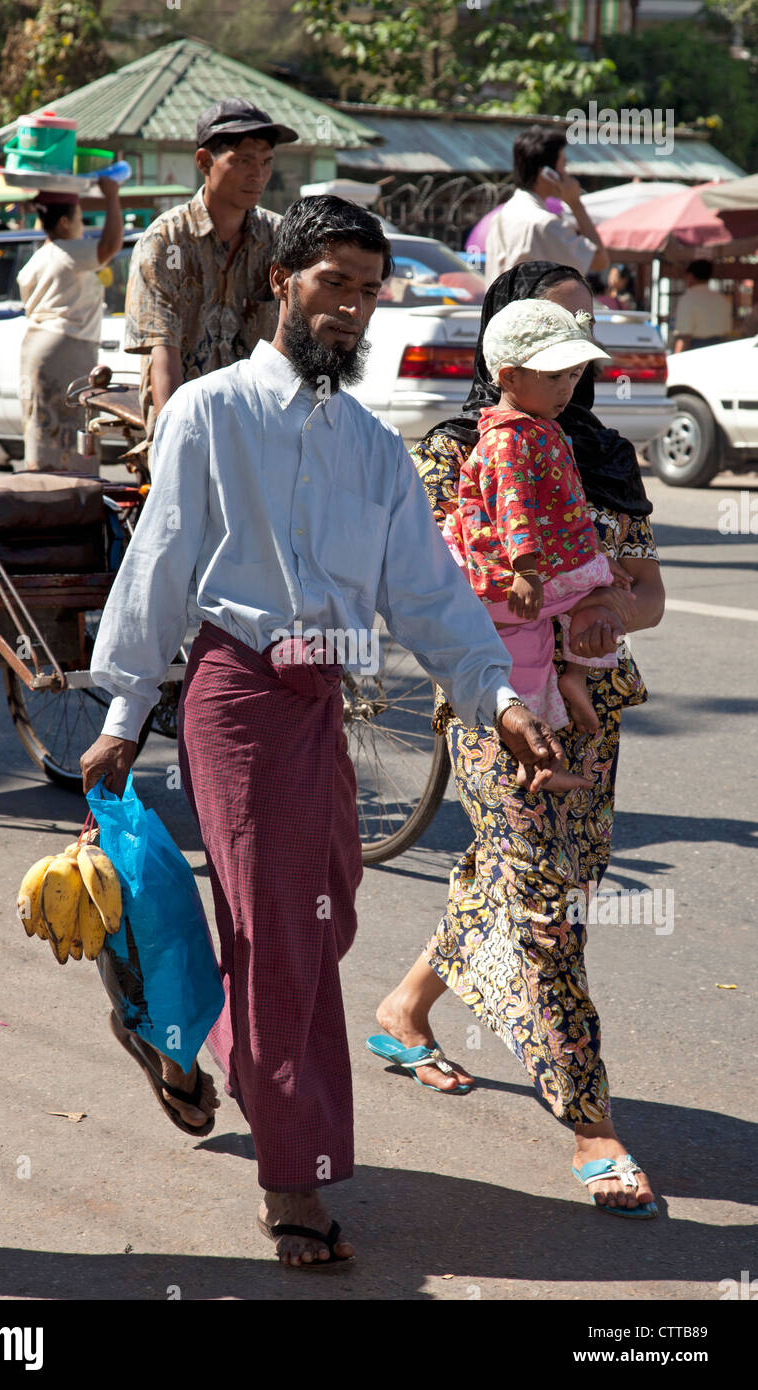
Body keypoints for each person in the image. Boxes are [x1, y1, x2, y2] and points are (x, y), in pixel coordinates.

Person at [81, 197, 566, 1268]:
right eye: (330, 282)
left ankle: (175, 1023)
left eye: (365, 289)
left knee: (321, 915)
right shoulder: (207, 413)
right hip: (235, 702)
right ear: (280, 284)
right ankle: (292, 1178)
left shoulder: (372, 449)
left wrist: (496, 694)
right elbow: (161, 562)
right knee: (284, 940)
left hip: (323, 709)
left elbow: (430, 592)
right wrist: (122, 709)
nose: (348, 307)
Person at [368, 260, 666, 1218]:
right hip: (498, 705)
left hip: (593, 704)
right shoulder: (457, 451)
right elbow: (420, 588)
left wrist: (608, 611)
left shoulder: (606, 456)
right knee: (544, 908)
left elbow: (646, 590)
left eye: (586, 337)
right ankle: (590, 1124)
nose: (581, 360)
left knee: (535, 877)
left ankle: (403, 1010)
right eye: (559, 336)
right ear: (507, 350)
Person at [444, 297, 632, 746]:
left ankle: (571, 684)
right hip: (518, 580)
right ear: (509, 376)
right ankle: (537, 735)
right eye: (554, 377)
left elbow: (562, 510)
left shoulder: (537, 426)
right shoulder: (507, 439)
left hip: (539, 575)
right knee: (530, 656)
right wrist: (527, 571)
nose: (567, 389)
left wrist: (599, 562)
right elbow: (515, 511)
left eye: (573, 376)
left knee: (568, 627)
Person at [124, 98, 298, 439]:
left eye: (266, 162)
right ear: (205, 161)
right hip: (185, 423)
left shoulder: (280, 240)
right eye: (243, 161)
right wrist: (179, 443)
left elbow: (295, 344)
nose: (258, 174)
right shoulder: (165, 241)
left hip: (259, 430)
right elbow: (164, 353)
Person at [16, 178, 124, 473]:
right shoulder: (69, 251)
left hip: (35, 348)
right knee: (76, 433)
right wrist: (112, 197)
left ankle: (43, 505)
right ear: (64, 222)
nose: (83, 226)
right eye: (79, 218)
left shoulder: (39, 257)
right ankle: (73, 507)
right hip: (66, 345)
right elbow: (110, 246)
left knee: (41, 434)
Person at [485, 126, 608, 287]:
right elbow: (600, 260)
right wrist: (575, 204)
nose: (566, 173)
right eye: (563, 164)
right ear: (548, 174)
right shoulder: (545, 224)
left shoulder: (501, 216)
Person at [672, 259, 733, 352]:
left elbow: (684, 337)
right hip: (721, 349)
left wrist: (675, 359)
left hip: (696, 350)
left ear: (690, 276)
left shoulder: (688, 299)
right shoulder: (722, 299)